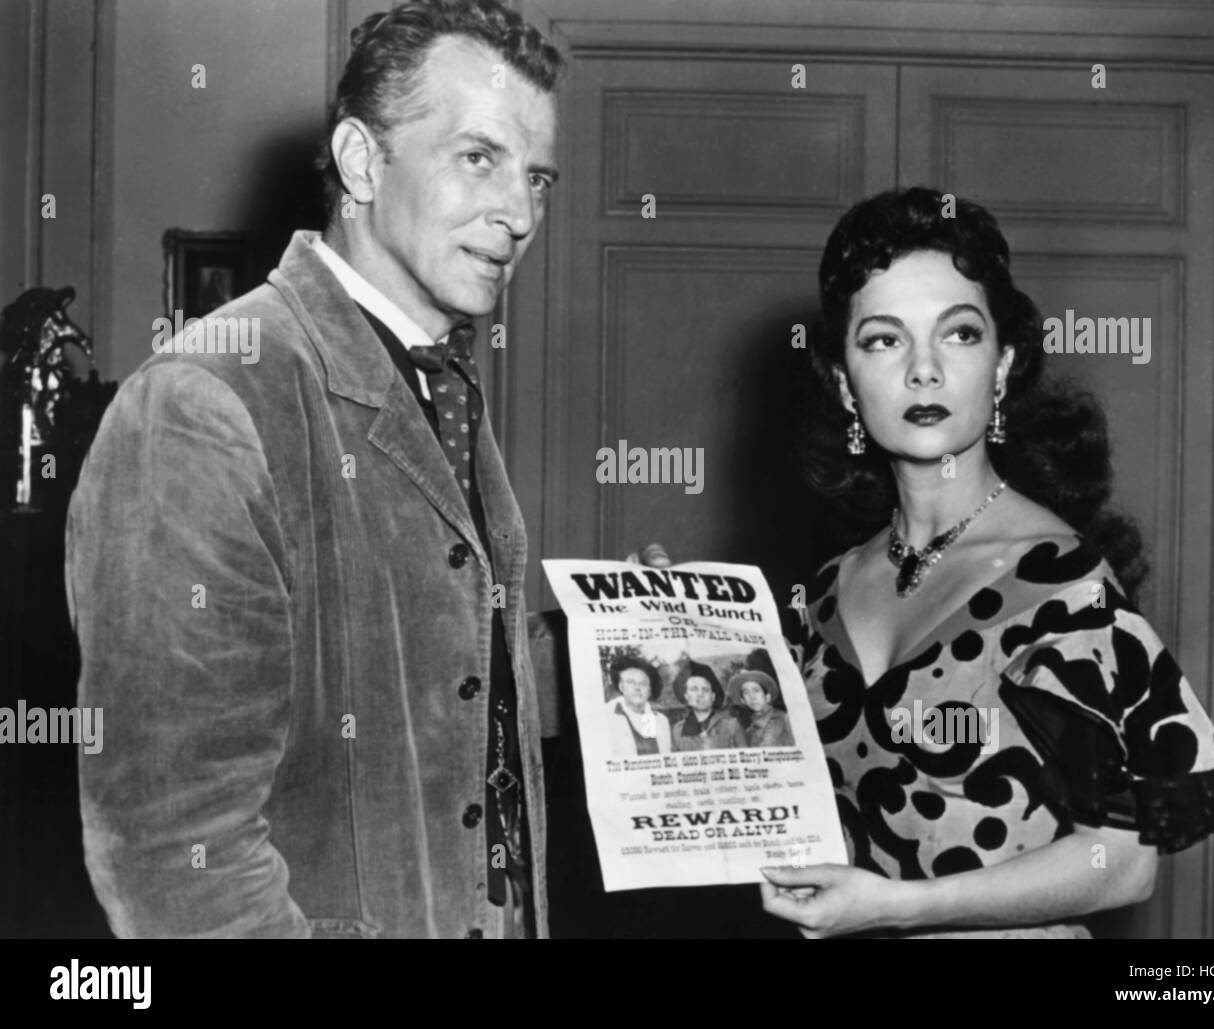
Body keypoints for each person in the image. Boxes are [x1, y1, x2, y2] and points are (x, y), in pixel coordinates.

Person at [66, 0, 576, 939]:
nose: (519, 214)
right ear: (360, 162)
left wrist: (615, 646)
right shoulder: (203, 401)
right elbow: (176, 851)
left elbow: (419, 676)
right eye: (479, 158)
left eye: (537, 177)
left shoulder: (435, 375)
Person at [760, 187, 1214, 939]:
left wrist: (898, 907)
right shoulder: (827, 590)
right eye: (884, 339)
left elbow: (1123, 857)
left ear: (1004, 363)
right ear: (844, 381)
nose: (923, 370)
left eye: (958, 334)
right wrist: (664, 616)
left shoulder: (1058, 584)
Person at [670, 661, 746, 752]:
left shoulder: (732, 726)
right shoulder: (677, 732)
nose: (700, 694)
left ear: (713, 697)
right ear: (686, 696)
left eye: (705, 690)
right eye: (694, 689)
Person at [606, 655, 672, 757]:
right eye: (631, 682)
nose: (637, 687)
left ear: (650, 691)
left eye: (643, 683)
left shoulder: (661, 721)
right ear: (621, 687)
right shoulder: (607, 717)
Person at [728, 670, 794, 748]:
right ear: (743, 701)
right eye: (746, 693)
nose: (752, 697)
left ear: (767, 696)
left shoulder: (786, 719)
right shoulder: (748, 732)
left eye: (756, 691)